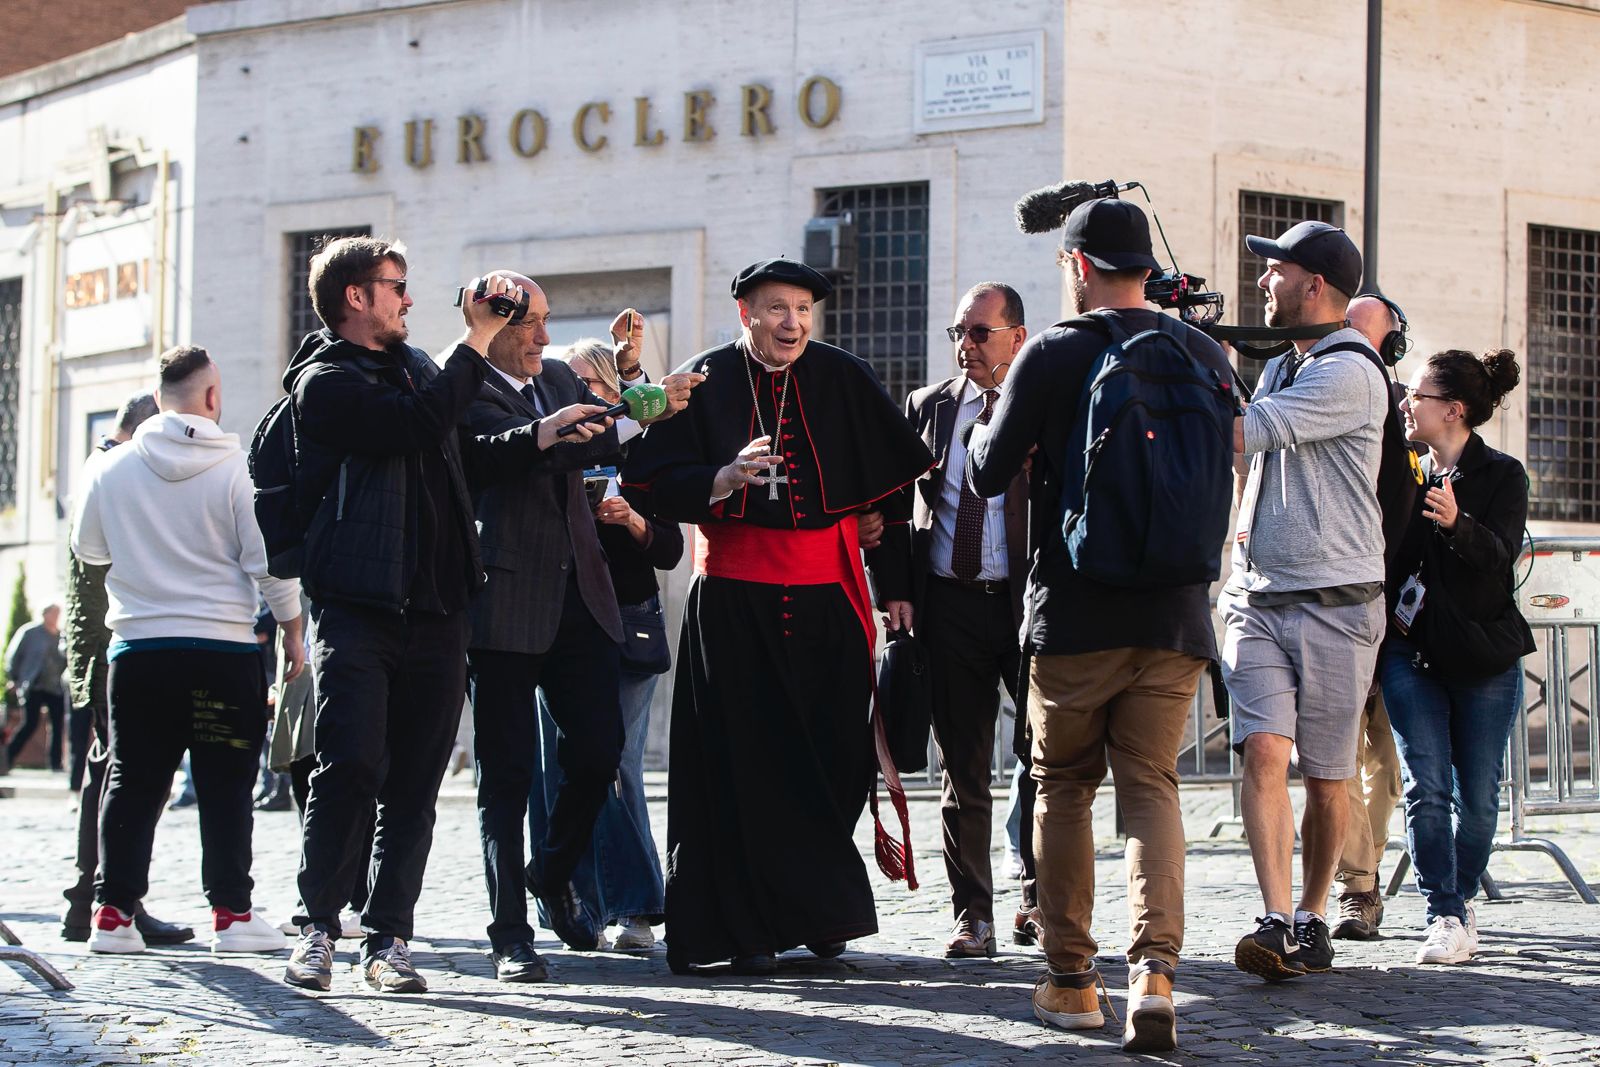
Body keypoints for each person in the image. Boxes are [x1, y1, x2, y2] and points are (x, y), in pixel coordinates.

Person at [283, 238, 610, 995]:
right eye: (395, 285)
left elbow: (471, 453)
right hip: (358, 605)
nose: (408, 298)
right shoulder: (326, 380)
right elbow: (414, 426)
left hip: (438, 607)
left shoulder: (424, 373)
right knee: (350, 763)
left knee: (416, 782)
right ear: (356, 297)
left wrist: (544, 431)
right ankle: (318, 927)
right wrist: (477, 335)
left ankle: (388, 938)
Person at [622, 258, 933, 975]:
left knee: (835, 756)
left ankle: (818, 911)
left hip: (829, 601)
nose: (792, 323)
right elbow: (649, 479)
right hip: (736, 604)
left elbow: (888, 492)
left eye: (802, 310)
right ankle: (746, 927)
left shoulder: (844, 376)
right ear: (746, 314)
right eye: (776, 309)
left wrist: (895, 585)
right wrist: (721, 477)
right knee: (742, 763)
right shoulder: (702, 381)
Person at [968, 198, 1228, 1053]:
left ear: (1078, 266)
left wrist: (1004, 424)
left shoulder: (1053, 350)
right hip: (1177, 613)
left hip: (1077, 612)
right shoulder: (1203, 351)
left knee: (1065, 786)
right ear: (1146, 267)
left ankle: (1073, 980)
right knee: (1152, 785)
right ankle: (1155, 974)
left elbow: (986, 472)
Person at [463, 278, 696, 984]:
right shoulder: (464, 384)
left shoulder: (560, 377)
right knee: (506, 778)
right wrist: (624, 412)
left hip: (580, 601)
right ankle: (510, 934)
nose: (544, 337)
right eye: (529, 324)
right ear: (490, 325)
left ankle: (550, 869)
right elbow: (525, 451)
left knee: (598, 753)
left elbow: (606, 441)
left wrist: (647, 401)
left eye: (546, 321)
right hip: (504, 606)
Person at [71, 345, 305, 955]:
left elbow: (89, 550)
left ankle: (112, 915)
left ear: (158, 399)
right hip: (221, 653)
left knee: (132, 779)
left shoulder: (110, 469)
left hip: (139, 650)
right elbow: (267, 562)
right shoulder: (236, 471)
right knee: (226, 783)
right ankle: (232, 915)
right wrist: (292, 630)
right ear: (211, 396)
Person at [1223, 221, 1389, 982]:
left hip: (1337, 604)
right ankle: (1274, 916)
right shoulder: (1283, 365)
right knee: (1263, 749)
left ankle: (1314, 915)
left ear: (1314, 285)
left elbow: (1245, 434)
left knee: (1326, 778)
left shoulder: (1349, 370)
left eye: (1275, 270)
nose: (1264, 281)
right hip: (1258, 597)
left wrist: (1181, 352)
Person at [527, 338, 686, 954]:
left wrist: (630, 520)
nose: (575, 401)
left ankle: (636, 904)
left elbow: (670, 547)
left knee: (615, 763)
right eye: (564, 390)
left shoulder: (638, 450)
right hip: (560, 621)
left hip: (627, 619)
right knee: (562, 766)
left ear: (611, 393)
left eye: (586, 388)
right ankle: (575, 902)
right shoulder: (553, 446)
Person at [888, 282, 1031, 958]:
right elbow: (897, 508)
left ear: (1016, 338)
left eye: (979, 332)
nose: (965, 345)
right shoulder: (928, 407)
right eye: (958, 332)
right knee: (963, 772)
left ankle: (1038, 895)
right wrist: (898, 589)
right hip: (949, 605)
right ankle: (973, 915)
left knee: (1045, 761)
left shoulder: (1040, 405)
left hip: (1027, 606)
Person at [1382, 348, 1533, 964]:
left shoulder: (1503, 474)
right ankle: (1442, 913)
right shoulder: (1403, 469)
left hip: (1482, 656)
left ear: (1454, 409)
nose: (1405, 403)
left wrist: (1456, 522)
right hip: (1409, 652)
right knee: (1426, 788)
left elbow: (1501, 558)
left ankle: (1462, 897)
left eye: (1416, 395)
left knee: (1479, 800)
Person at [58, 390, 191, 945]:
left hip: (107, 649)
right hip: (115, 650)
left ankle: (94, 898)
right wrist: (95, 667)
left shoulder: (102, 467)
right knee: (130, 779)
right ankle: (108, 900)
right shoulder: (113, 472)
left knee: (115, 776)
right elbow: (93, 583)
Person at [1329, 294, 1411, 939]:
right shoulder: (1315, 387)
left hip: (1394, 609)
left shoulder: (1404, 412)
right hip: (1334, 599)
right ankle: (1357, 882)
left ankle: (1365, 874)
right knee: (1335, 754)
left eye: (1364, 330)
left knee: (1381, 756)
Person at [4, 604, 68, 772]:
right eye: (53, 613)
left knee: (57, 724)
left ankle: (55, 763)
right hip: (34, 685)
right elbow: (13, 656)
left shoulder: (61, 635)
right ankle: (7, 758)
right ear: (45, 614)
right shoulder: (30, 632)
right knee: (30, 723)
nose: (56, 616)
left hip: (55, 686)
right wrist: (14, 679)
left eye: (58, 613)